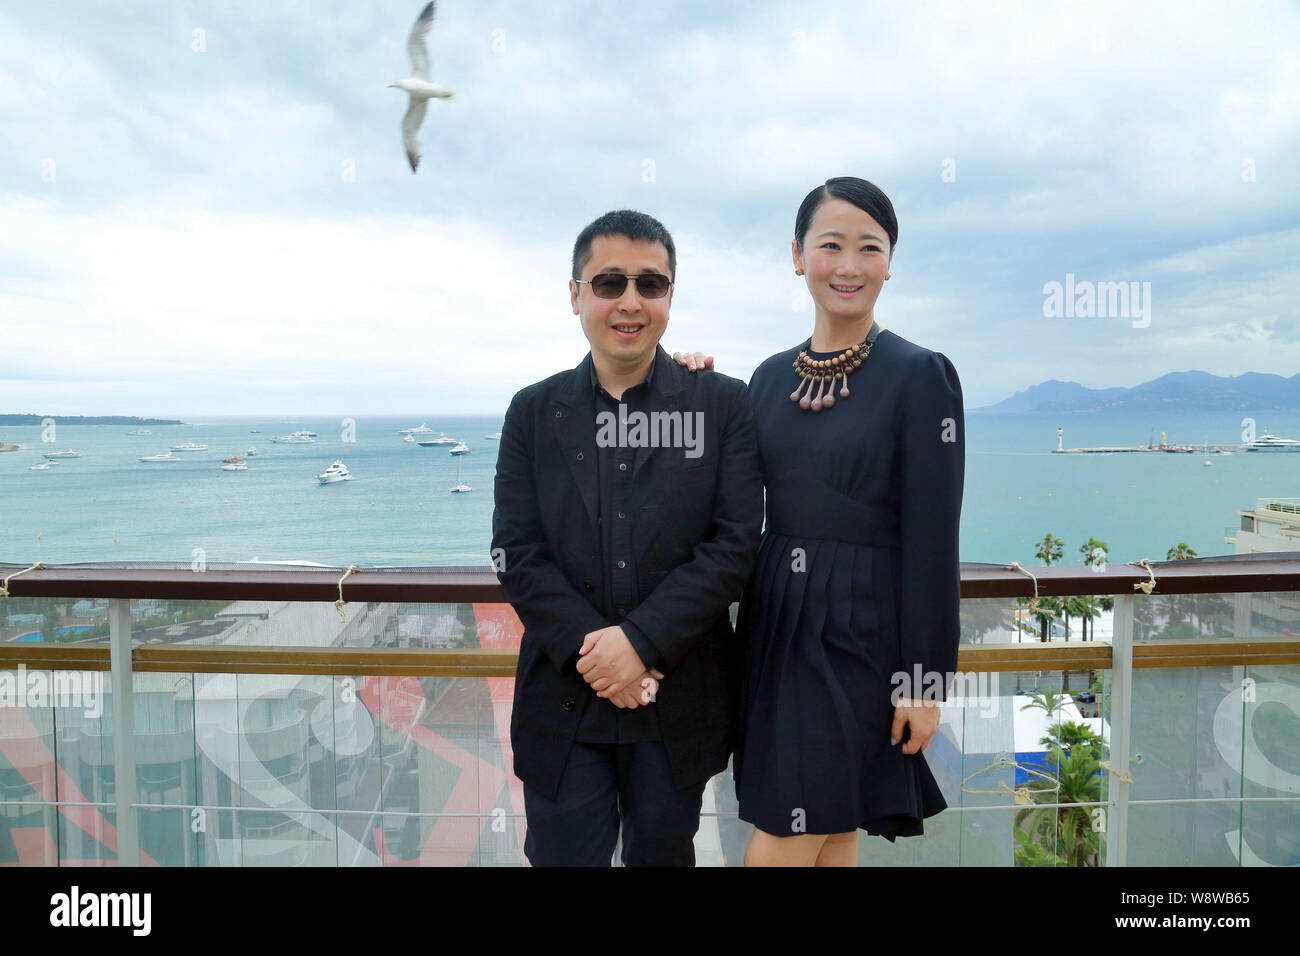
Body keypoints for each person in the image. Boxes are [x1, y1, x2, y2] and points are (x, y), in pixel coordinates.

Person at [675, 176, 965, 866]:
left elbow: (933, 542)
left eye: (870, 247)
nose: (849, 265)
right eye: (830, 244)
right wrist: (679, 382)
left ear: (889, 263)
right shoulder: (768, 378)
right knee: (828, 830)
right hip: (776, 625)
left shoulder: (921, 374)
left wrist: (925, 683)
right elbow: (717, 487)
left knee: (779, 838)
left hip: (862, 633)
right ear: (798, 255)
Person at [491, 209, 764, 867]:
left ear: (671, 295)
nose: (630, 302)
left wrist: (639, 644)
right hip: (565, 698)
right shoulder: (533, 410)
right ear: (576, 294)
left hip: (677, 702)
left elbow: (734, 544)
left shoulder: (722, 404)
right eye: (609, 283)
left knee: (664, 855)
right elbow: (515, 551)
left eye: (652, 284)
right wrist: (601, 654)